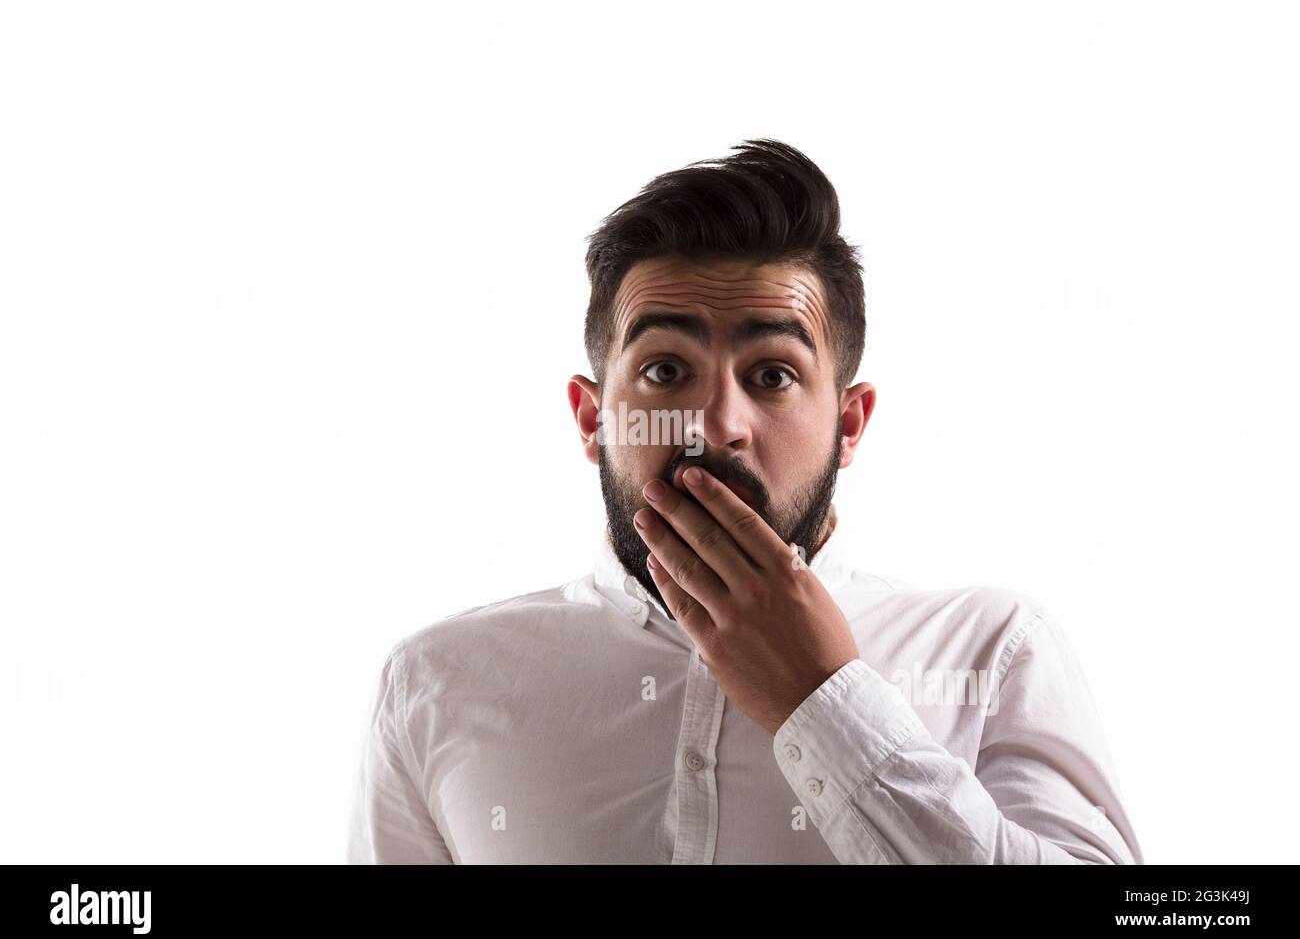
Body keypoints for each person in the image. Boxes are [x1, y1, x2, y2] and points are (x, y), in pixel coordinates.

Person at [346, 139, 1143, 864]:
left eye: (772, 376)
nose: (717, 425)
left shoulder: (992, 653)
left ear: (850, 423)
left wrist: (825, 703)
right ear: (594, 419)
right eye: (664, 372)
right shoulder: (438, 682)